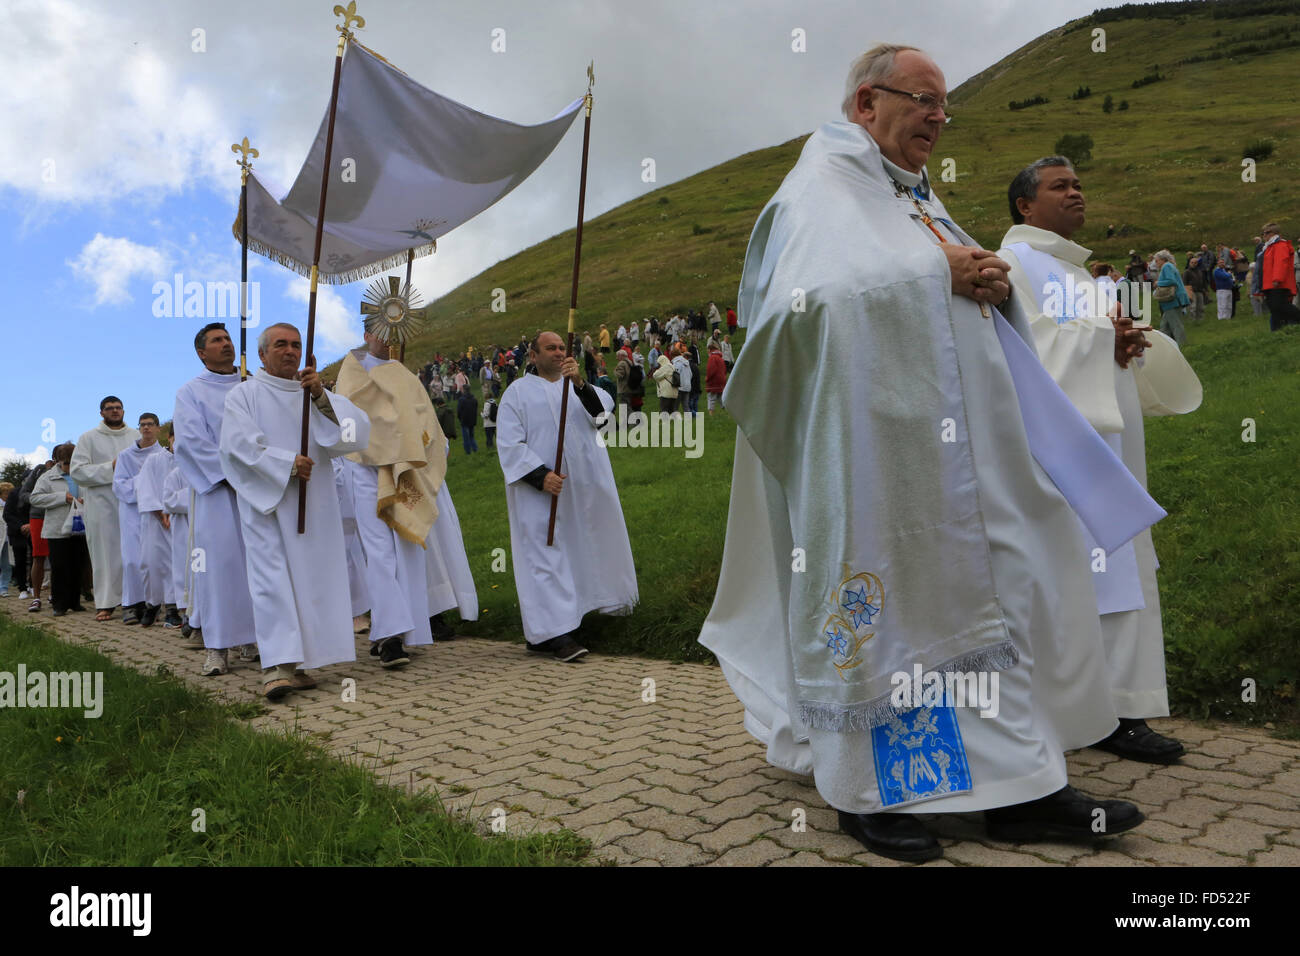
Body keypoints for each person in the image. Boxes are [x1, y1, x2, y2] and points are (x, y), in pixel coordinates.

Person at [699, 43, 1151, 863]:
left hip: (960, 458)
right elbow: (806, 309)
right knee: (884, 610)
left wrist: (987, 276)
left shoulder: (912, 198)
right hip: (869, 457)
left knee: (992, 598)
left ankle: (1020, 791)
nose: (940, 119)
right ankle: (865, 792)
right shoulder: (820, 188)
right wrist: (932, 268)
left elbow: (960, 285)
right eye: (924, 101)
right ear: (867, 102)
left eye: (945, 106)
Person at [999, 156, 1197, 765]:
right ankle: (1097, 712)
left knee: (1119, 566)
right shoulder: (1013, 265)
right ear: (1025, 207)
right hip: (1063, 449)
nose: (1076, 193)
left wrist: (1129, 340)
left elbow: (1088, 337)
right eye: (1061, 186)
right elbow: (1018, 349)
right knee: (1081, 573)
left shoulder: (1077, 273)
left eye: (1080, 184)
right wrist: (1098, 340)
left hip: (1110, 443)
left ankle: (1123, 704)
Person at [219, 323, 370, 701]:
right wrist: (286, 464)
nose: (290, 351)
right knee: (272, 579)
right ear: (262, 354)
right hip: (267, 503)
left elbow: (355, 434)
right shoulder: (245, 395)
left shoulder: (312, 392)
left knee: (311, 578)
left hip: (313, 501)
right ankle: (277, 667)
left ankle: (302, 662)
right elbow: (236, 446)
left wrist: (321, 395)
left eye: (296, 345)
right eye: (281, 345)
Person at [495, 331, 638, 661]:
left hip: (584, 489)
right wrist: (540, 475)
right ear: (533, 356)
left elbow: (605, 421)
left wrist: (582, 385)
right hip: (542, 492)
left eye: (562, 347)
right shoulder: (517, 395)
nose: (559, 353)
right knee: (546, 555)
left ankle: (574, 617)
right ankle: (553, 633)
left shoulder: (579, 387)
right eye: (550, 348)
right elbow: (509, 444)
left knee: (582, 547)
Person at [336, 330, 447, 667]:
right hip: (365, 468)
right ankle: (390, 638)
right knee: (380, 556)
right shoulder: (353, 371)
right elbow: (352, 417)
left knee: (406, 554)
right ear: (368, 333)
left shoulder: (406, 375)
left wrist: (415, 442)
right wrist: (393, 431)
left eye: (395, 333)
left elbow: (424, 419)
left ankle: (398, 631)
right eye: (383, 332)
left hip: (405, 469)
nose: (389, 339)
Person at [173, 322, 259, 676]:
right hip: (218, 493)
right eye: (217, 341)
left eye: (227, 339)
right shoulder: (190, 392)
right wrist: (234, 474)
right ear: (201, 352)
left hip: (256, 491)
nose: (225, 345)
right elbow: (191, 442)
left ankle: (254, 637)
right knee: (219, 567)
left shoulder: (252, 386)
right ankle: (217, 647)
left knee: (257, 565)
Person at [70, 396, 140, 620]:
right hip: (101, 504)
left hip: (131, 503)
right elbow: (78, 472)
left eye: (118, 408)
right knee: (104, 554)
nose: (115, 411)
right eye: (110, 408)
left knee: (134, 552)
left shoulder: (135, 436)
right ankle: (106, 603)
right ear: (101, 413)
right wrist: (110, 467)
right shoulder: (88, 438)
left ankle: (137, 601)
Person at [112, 412, 166, 626]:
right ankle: (131, 604)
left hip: (154, 512)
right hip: (132, 511)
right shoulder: (125, 456)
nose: (146, 428)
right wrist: (144, 483)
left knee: (153, 559)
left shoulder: (163, 455)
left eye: (150, 424)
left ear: (157, 428)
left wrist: (152, 493)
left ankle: (153, 604)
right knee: (133, 559)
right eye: (142, 425)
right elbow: (120, 485)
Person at [29, 443, 91, 618]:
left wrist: (86, 500)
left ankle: (74, 601)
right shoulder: (47, 477)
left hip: (80, 527)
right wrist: (62, 497)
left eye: (73, 462)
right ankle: (59, 604)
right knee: (59, 567)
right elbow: (35, 498)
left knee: (78, 565)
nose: (70, 467)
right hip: (57, 529)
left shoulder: (82, 475)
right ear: (58, 461)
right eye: (66, 463)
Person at [133, 433, 181, 628]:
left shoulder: (190, 460)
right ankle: (152, 604)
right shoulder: (154, 460)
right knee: (151, 562)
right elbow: (144, 488)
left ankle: (172, 608)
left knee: (176, 564)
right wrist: (160, 513)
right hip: (154, 520)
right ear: (170, 437)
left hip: (181, 518)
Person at [1259, 222, 1300, 331]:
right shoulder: (1268, 247)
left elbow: (1281, 263)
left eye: (1265, 233)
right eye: (1263, 233)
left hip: (1277, 283)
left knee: (1280, 306)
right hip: (1269, 283)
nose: (1264, 236)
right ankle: (1279, 331)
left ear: (1273, 233)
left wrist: (1277, 279)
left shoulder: (1280, 245)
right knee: (1274, 308)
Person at [1152, 250, 1189, 348]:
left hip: (1172, 300)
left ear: (1163, 260)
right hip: (1171, 301)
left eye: (1157, 261)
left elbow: (1171, 281)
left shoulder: (1166, 266)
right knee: (1164, 326)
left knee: (1176, 324)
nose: (1156, 263)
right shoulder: (1169, 266)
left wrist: (1158, 283)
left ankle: (1183, 345)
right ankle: (1165, 347)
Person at [705, 340, 727, 413]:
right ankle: (727, 411)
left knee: (711, 398)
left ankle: (711, 413)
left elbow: (711, 370)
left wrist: (707, 378)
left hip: (714, 381)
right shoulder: (721, 358)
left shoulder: (712, 358)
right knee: (720, 397)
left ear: (710, 349)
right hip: (721, 380)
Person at [1183, 255, 1206, 320]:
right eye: (1192, 262)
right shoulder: (1187, 272)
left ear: (1197, 263)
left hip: (1200, 291)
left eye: (1195, 262)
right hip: (1191, 291)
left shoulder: (1200, 271)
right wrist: (1188, 293)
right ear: (1189, 263)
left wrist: (1205, 290)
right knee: (1193, 307)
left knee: (1201, 307)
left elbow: (1203, 281)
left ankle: (1200, 320)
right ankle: (1192, 320)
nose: (1193, 264)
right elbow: (1184, 283)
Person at [456, 386, 479, 454]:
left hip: (464, 420)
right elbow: (476, 409)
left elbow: (459, 411)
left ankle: (468, 451)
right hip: (472, 420)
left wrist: (460, 418)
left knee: (466, 437)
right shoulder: (474, 399)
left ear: (463, 390)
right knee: (471, 436)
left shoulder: (461, 399)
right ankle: (475, 448)